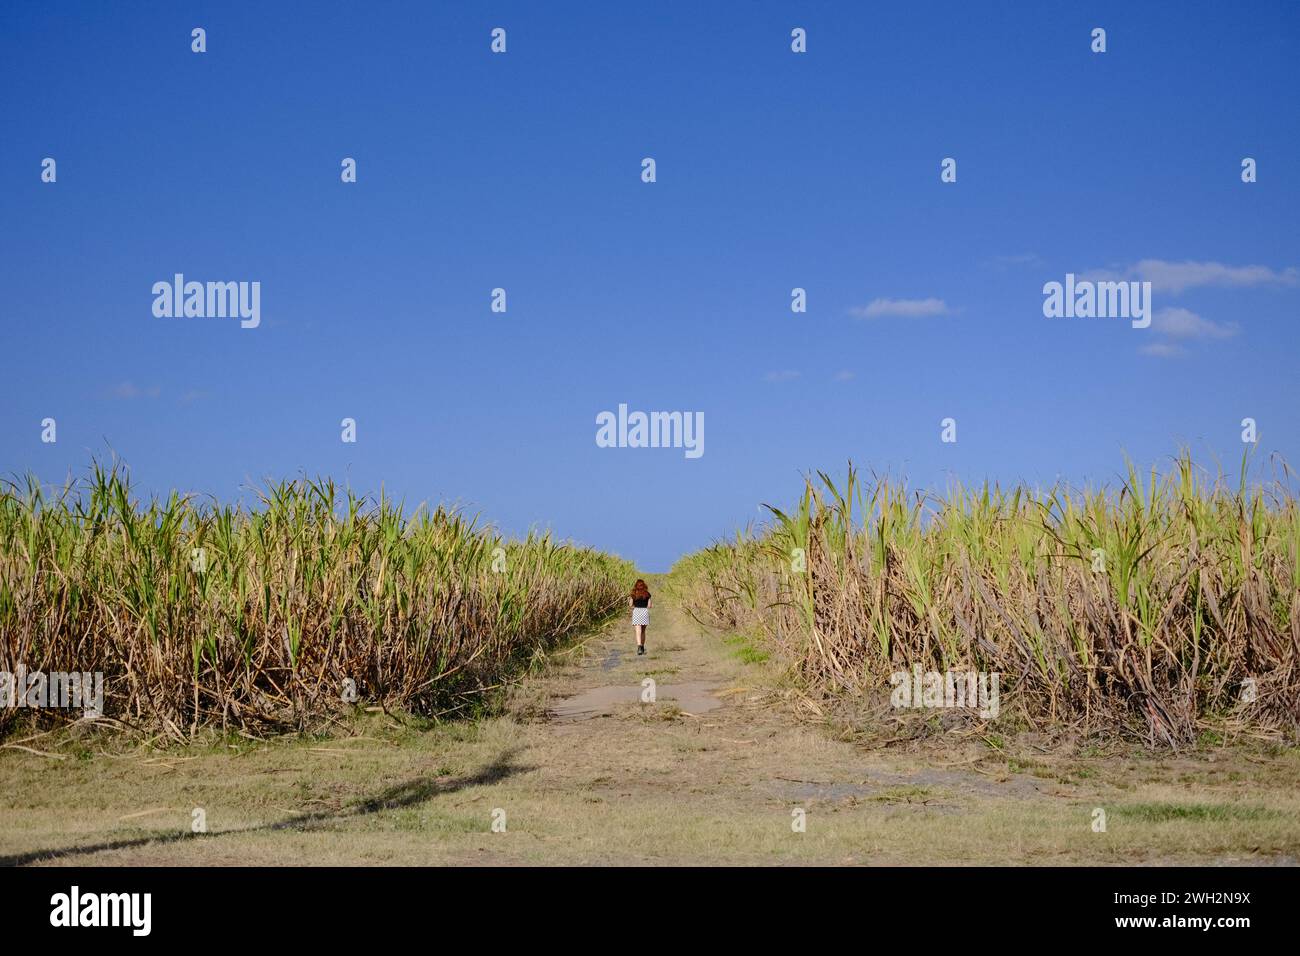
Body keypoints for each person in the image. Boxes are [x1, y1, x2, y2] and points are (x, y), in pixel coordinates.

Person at [630, 579, 651, 655]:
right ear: (644, 585)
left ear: (636, 586)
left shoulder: (633, 594)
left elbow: (630, 604)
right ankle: (642, 646)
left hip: (636, 612)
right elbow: (649, 606)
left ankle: (639, 647)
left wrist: (635, 606)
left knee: (638, 631)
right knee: (643, 631)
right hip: (644, 612)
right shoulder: (647, 594)